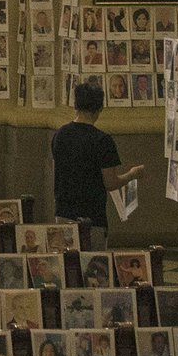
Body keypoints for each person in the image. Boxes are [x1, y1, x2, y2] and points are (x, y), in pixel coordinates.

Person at [51, 82, 133, 242]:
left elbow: (57, 174)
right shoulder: (102, 140)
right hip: (92, 216)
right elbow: (110, 183)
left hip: (63, 213)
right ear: (100, 109)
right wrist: (132, 175)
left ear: (75, 106)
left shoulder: (60, 135)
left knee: (68, 261)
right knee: (94, 264)